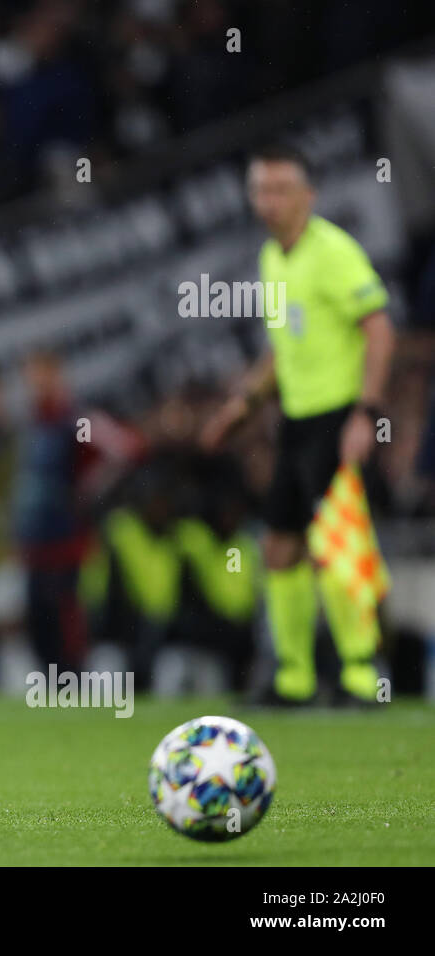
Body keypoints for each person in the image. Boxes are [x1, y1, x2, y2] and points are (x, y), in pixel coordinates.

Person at [201, 143, 395, 706]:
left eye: (282, 189)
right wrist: (243, 405)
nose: (270, 201)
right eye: (261, 189)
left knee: (339, 546)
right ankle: (293, 677)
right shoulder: (272, 258)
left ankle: (363, 674)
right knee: (281, 547)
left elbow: (379, 329)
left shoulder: (333, 252)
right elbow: (282, 353)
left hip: (338, 415)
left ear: (307, 195)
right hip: (295, 420)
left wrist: (367, 413)